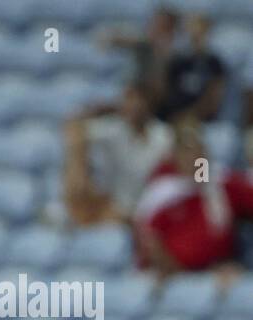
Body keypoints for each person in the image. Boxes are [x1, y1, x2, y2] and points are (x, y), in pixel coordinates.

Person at [134, 121, 253, 275]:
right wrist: (172, 268)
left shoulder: (221, 183)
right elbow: (146, 239)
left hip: (219, 271)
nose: (194, 158)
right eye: (187, 152)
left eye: (198, 152)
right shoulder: (162, 192)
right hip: (171, 275)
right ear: (175, 156)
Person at [63, 83, 173, 226]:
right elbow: (74, 130)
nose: (135, 107)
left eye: (140, 102)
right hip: (117, 204)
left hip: (150, 205)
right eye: (130, 101)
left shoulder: (164, 135)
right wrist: (81, 170)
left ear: (150, 105)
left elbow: (189, 164)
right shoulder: (113, 128)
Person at [160, 14, 226, 122]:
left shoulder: (214, 63)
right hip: (175, 118)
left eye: (200, 33)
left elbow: (214, 99)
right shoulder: (178, 61)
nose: (196, 37)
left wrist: (192, 115)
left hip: (204, 121)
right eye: (192, 32)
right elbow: (167, 91)